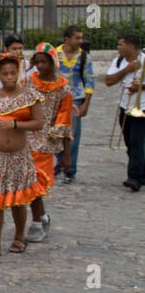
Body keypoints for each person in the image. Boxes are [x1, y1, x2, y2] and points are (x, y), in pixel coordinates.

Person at [0, 53, 45, 254]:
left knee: (17, 199)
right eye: (4, 73)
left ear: (18, 73)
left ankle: (19, 236)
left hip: (18, 155)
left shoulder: (30, 95)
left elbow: (39, 123)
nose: (9, 77)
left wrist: (14, 123)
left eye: (12, 73)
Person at [26, 43, 72, 242]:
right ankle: (41, 216)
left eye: (45, 62)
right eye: (38, 62)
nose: (41, 66)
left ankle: (36, 222)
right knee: (28, 180)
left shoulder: (63, 89)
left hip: (46, 140)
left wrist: (66, 154)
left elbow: (65, 121)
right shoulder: (28, 83)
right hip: (26, 136)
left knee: (37, 181)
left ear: (53, 62)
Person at [105, 33, 145, 192]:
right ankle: (142, 172)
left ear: (131, 47)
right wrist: (127, 70)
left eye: (121, 45)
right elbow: (109, 81)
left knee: (136, 142)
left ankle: (134, 178)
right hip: (125, 107)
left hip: (142, 108)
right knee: (130, 143)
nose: (118, 47)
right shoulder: (119, 61)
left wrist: (140, 87)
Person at [55, 25, 94, 184]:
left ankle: (70, 168)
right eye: (77, 38)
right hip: (56, 99)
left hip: (76, 98)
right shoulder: (55, 55)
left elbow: (89, 81)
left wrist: (86, 104)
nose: (80, 41)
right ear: (67, 39)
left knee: (73, 135)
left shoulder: (84, 57)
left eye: (81, 38)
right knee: (56, 133)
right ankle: (60, 162)